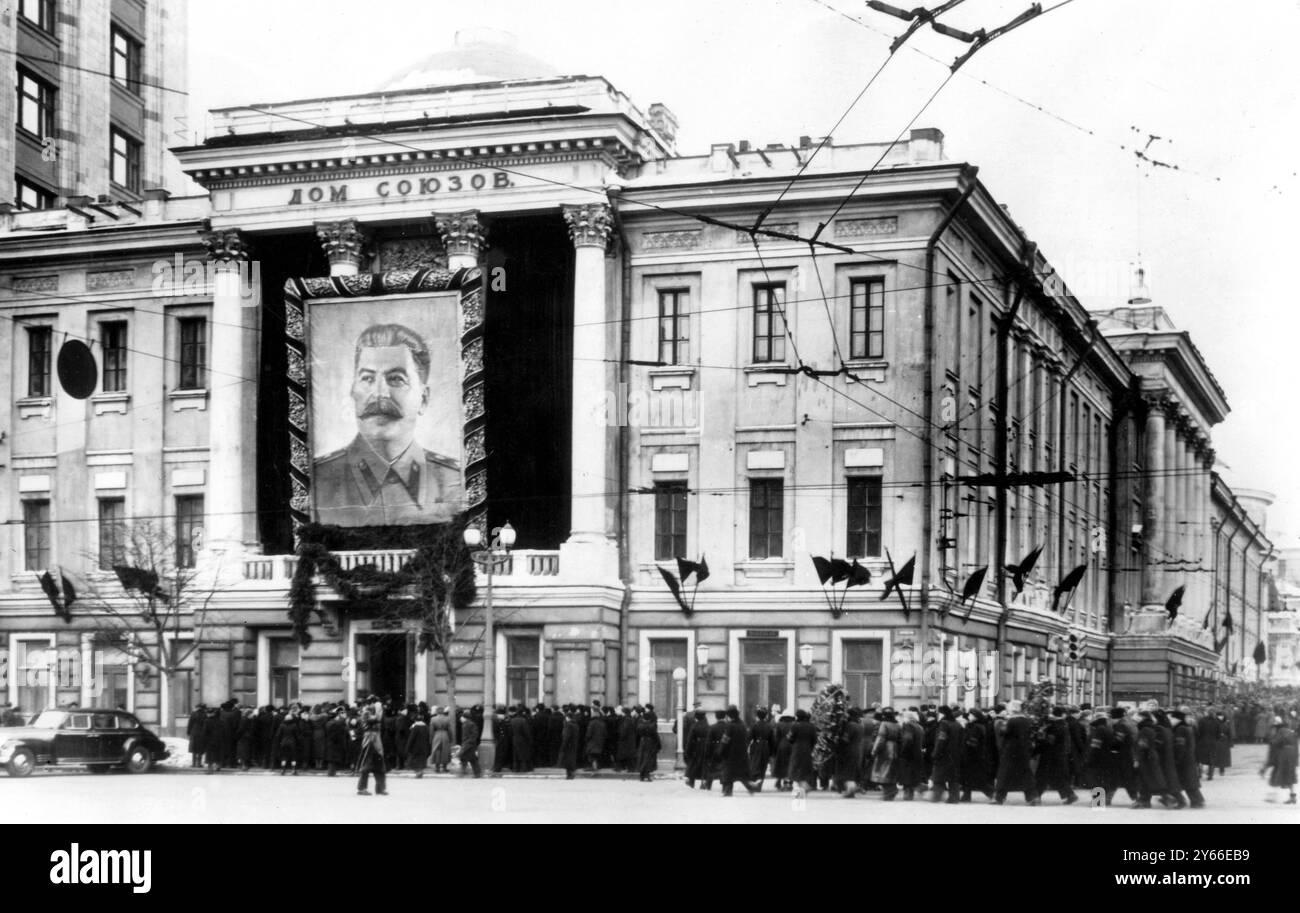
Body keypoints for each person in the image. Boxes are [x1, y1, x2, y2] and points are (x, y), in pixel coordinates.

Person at [314, 323, 464, 526]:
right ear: (353, 391)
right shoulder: (316, 481)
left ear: (423, 398)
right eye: (367, 378)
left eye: (396, 379)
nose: (379, 394)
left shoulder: (457, 483)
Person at [994, 701, 1039, 805]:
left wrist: (1002, 725)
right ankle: (1032, 796)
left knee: (1004, 774)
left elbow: (1003, 731)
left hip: (1010, 751)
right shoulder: (1027, 720)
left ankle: (999, 797)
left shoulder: (1011, 721)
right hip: (1023, 751)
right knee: (1025, 774)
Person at [1034, 706, 1078, 805]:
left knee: (1041, 777)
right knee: (1057, 778)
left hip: (1049, 756)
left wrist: (1040, 741)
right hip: (1060, 755)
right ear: (1062, 714)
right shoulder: (1063, 724)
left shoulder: (1053, 726)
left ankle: (1036, 797)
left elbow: (1049, 741)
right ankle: (1070, 795)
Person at [718, 706, 758, 796]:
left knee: (728, 773)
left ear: (729, 716)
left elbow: (725, 740)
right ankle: (751, 787)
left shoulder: (730, 726)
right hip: (742, 753)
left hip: (730, 754)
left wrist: (720, 751)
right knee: (742, 775)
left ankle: (728, 791)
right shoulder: (743, 725)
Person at [1170, 710, 1204, 808]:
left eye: (1172, 718)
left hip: (1183, 759)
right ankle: (1198, 800)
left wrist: (1177, 758)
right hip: (1189, 758)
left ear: (1178, 719)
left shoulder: (1180, 729)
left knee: (1187, 781)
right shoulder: (1187, 727)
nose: (1171, 720)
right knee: (1190, 781)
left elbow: (1180, 745)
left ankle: (1196, 801)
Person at [1260, 714, 1298, 804]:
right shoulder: (1291, 732)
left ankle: (1272, 796)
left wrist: (1271, 741)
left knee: (1277, 775)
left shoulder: (1280, 733)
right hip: (1291, 755)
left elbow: (1276, 743)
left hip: (1283, 755)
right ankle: (1292, 797)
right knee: (1289, 777)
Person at [929, 705, 963, 803]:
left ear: (942, 713)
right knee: (953, 778)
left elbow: (941, 740)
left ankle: (936, 797)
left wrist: (936, 753)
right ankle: (954, 798)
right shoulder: (957, 724)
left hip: (943, 755)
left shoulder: (943, 724)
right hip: (955, 755)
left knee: (938, 777)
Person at [356, 699, 387, 796]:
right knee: (366, 767)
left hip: (376, 741)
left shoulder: (372, 712)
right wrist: (378, 708)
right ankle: (362, 788)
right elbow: (376, 719)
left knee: (380, 767)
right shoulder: (366, 713)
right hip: (369, 742)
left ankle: (380, 788)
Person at [871, 708, 901, 800]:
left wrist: (874, 750)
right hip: (895, 749)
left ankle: (888, 792)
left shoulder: (884, 724)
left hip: (885, 749)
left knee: (883, 772)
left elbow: (880, 738)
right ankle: (891, 791)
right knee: (891, 772)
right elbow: (901, 739)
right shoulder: (897, 725)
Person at [787, 709, 818, 796]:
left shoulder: (795, 726)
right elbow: (815, 740)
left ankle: (805, 787)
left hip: (797, 750)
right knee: (804, 770)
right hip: (808, 750)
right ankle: (802, 789)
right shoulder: (811, 726)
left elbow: (789, 738)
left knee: (796, 769)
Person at [748, 706, 775, 790]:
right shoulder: (769, 726)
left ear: (757, 716)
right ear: (766, 716)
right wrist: (772, 752)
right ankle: (759, 785)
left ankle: (754, 784)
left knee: (755, 765)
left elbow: (749, 737)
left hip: (756, 746)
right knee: (763, 766)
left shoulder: (754, 725)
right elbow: (772, 740)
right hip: (766, 747)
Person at [684, 710, 709, 788]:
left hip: (696, 748)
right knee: (704, 766)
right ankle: (703, 782)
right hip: (705, 748)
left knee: (693, 765)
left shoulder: (694, 726)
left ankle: (691, 782)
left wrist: (687, 750)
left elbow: (690, 740)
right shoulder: (708, 726)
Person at [636, 705, 661, 781]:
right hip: (650, 742)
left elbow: (638, 734)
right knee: (648, 759)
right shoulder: (652, 726)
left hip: (642, 742)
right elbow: (655, 735)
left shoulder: (640, 725)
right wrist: (658, 744)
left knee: (642, 758)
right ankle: (647, 775)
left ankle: (641, 775)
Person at [772, 708, 795, 791]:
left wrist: (775, 748)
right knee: (791, 764)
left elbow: (776, 737)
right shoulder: (794, 725)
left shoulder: (779, 724)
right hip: (792, 746)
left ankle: (783, 782)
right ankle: (790, 783)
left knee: (782, 765)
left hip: (782, 746)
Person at [406, 711, 431, 778]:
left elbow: (411, 738)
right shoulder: (426, 727)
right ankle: (421, 771)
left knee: (415, 760)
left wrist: (408, 747)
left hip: (416, 747)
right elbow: (428, 737)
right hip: (424, 746)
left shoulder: (415, 727)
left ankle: (418, 772)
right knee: (422, 759)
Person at [458, 709, 482, 778]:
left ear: (464, 718)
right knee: (465, 758)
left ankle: (476, 773)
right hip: (468, 744)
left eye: (461, 717)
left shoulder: (470, 724)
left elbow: (474, 735)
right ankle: (465, 772)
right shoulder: (466, 724)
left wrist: (468, 743)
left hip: (469, 745)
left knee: (471, 759)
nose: (460, 719)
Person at [325, 708, 348, 777]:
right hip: (335, 742)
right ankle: (331, 773)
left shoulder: (329, 723)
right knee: (333, 759)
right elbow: (338, 733)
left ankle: (331, 772)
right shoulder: (337, 723)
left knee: (332, 759)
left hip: (330, 742)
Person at [429, 706, 453, 773]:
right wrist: (451, 738)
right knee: (445, 751)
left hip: (437, 735)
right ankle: (444, 767)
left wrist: (431, 739)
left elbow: (431, 731)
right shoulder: (447, 718)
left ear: (436, 712)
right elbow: (449, 730)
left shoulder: (433, 719)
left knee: (437, 751)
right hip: (445, 735)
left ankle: (437, 768)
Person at [584, 704, 607, 773]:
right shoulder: (602, 723)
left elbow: (589, 734)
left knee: (592, 755)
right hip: (600, 741)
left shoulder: (592, 723)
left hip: (592, 741)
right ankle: (596, 766)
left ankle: (594, 767)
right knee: (596, 755)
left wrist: (586, 739)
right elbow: (605, 733)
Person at [559, 711, 580, 780]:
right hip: (574, 744)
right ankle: (572, 773)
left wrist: (563, 745)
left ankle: (569, 774)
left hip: (568, 745)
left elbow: (566, 736)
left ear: (567, 717)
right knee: (572, 759)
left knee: (567, 760)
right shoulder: (576, 725)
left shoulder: (568, 725)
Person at [617, 707, 638, 773]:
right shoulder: (630, 719)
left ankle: (629, 768)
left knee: (627, 754)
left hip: (626, 740)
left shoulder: (626, 720)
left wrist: (621, 736)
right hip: (630, 740)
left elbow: (624, 730)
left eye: (622, 712)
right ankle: (629, 768)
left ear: (624, 713)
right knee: (629, 755)